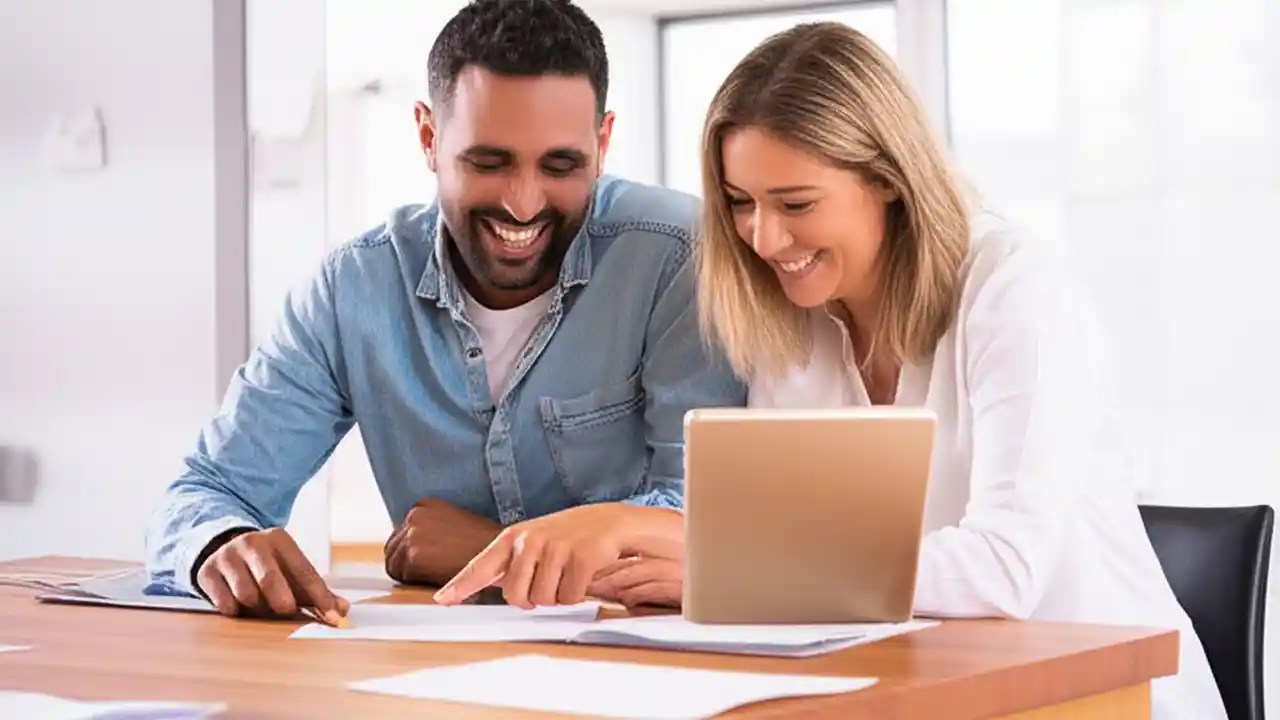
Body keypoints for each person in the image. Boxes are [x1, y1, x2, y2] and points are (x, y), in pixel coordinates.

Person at [586, 22, 1226, 719]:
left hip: (1103, 697)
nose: (764, 238)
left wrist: (736, 577)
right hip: (921, 687)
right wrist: (727, 575)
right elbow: (794, 551)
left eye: (796, 204)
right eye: (741, 203)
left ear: (888, 179)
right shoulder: (792, 316)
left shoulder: (1014, 287)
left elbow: (1003, 571)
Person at [144, 0, 744, 621]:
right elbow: (206, 492)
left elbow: (703, 527)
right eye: (489, 162)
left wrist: (492, 549)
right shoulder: (354, 288)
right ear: (430, 138)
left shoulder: (683, 258)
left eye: (561, 165)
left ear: (602, 142)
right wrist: (218, 543)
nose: (522, 203)